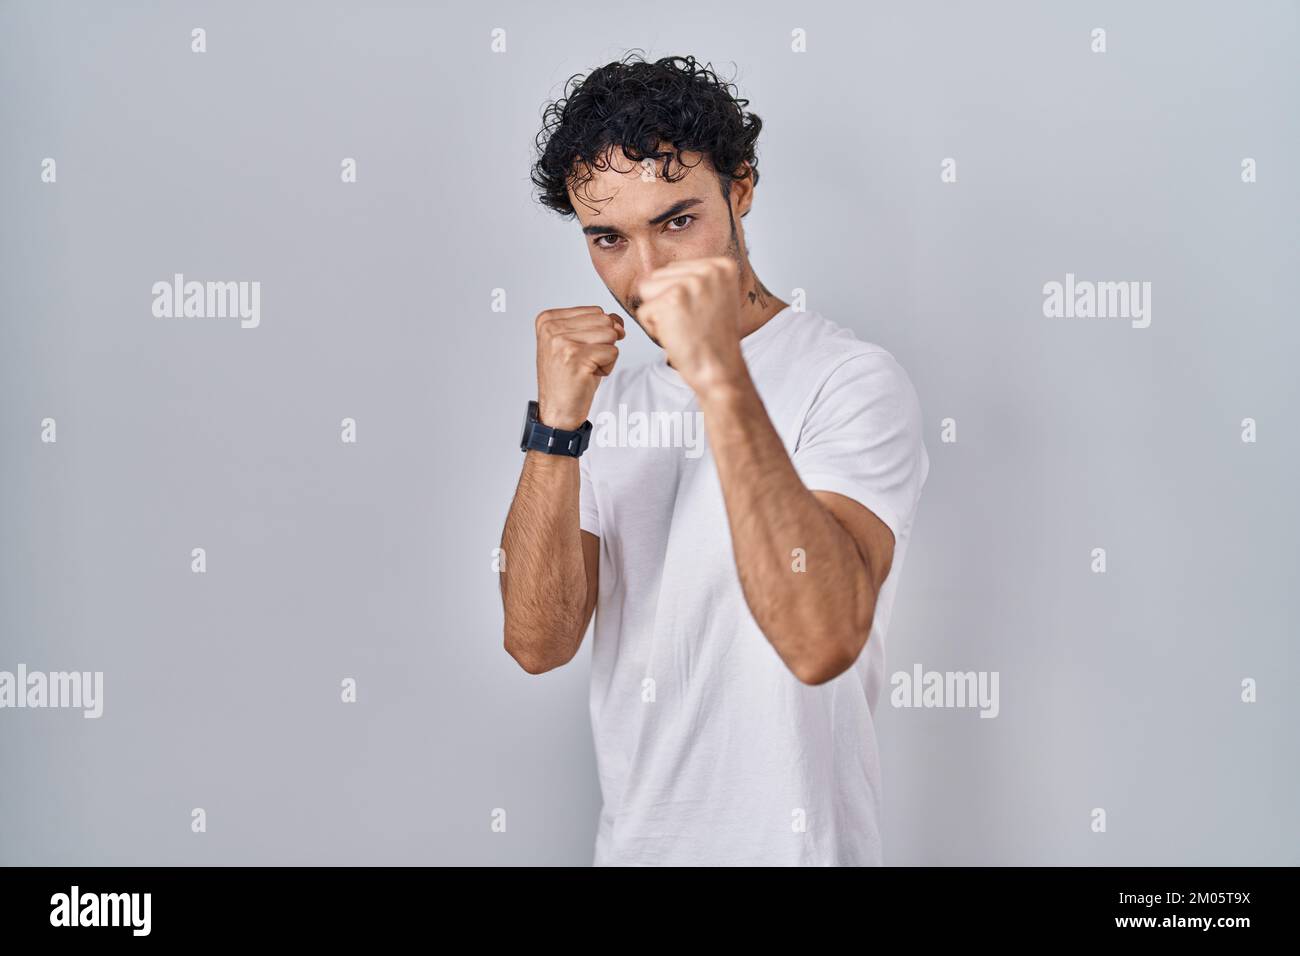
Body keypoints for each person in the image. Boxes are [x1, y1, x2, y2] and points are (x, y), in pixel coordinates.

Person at [499, 52, 930, 865]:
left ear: (740, 191)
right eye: (609, 239)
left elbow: (820, 639)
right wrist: (556, 427)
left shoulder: (849, 380)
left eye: (676, 221)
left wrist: (717, 371)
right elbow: (537, 642)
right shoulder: (611, 405)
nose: (648, 273)